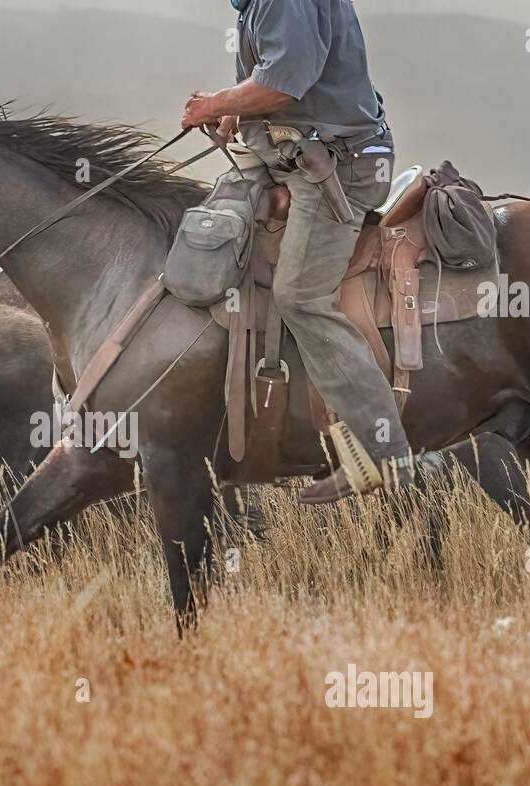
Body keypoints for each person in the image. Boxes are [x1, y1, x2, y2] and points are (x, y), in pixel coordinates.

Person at [182, 0, 439, 498]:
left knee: (300, 294)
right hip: (294, 154)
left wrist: (215, 104)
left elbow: (282, 82)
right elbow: (283, 82)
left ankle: (386, 456)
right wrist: (237, 108)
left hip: (334, 168)